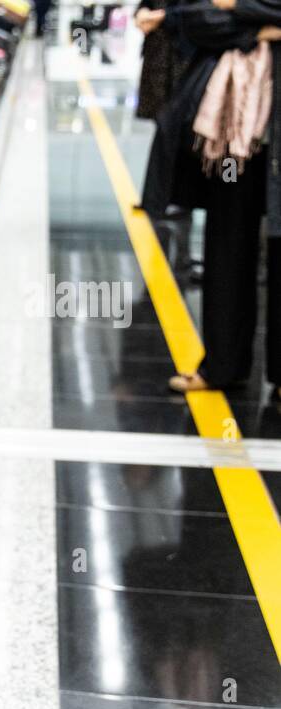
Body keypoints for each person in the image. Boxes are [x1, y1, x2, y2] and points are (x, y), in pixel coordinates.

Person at [165, 0, 281, 406]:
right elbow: (194, 18)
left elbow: (222, 10)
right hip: (234, 146)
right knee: (228, 244)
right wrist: (262, 30)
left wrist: (238, 6)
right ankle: (223, 365)